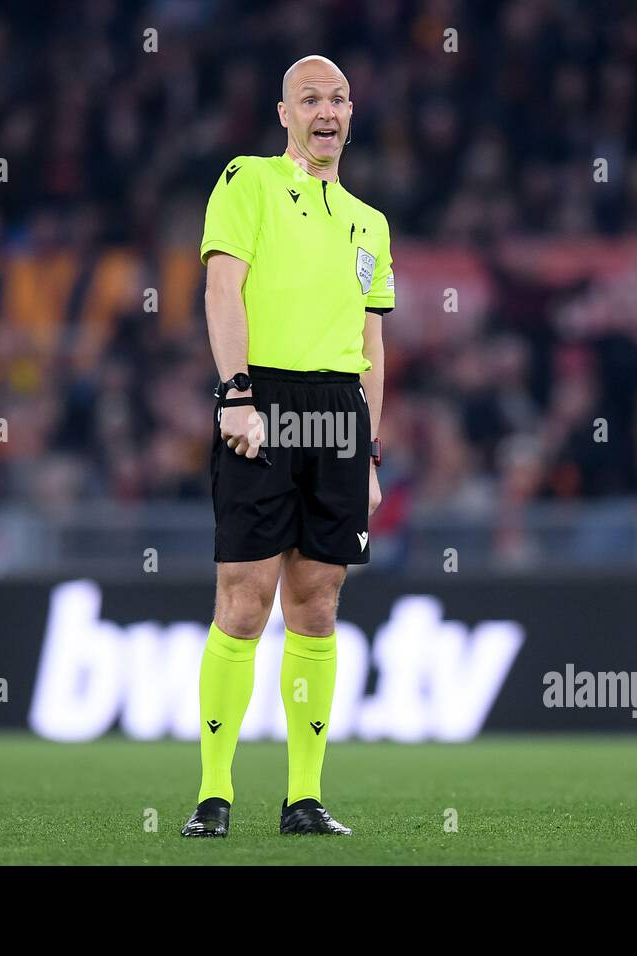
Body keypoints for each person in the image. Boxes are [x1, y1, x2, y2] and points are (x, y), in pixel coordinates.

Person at [180, 54, 394, 837]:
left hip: (339, 411)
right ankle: (213, 793)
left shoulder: (370, 222)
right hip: (264, 399)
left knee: (318, 603)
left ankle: (303, 798)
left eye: (339, 97)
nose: (327, 110)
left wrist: (371, 453)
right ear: (283, 114)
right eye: (311, 98)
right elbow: (221, 287)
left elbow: (371, 343)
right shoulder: (248, 182)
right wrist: (236, 393)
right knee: (244, 600)